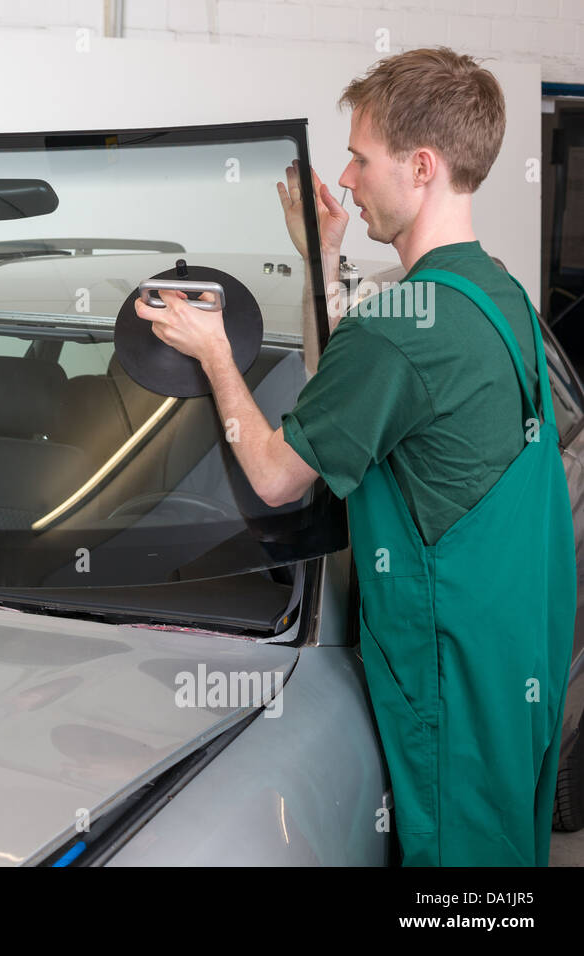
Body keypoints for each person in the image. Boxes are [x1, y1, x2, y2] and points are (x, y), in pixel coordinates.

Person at [137, 47, 575, 866]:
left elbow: (274, 473)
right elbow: (348, 396)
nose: (343, 174)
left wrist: (215, 356)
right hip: (516, 656)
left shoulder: (399, 329)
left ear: (421, 166)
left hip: (450, 684)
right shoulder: (496, 291)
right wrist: (320, 264)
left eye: (361, 156)